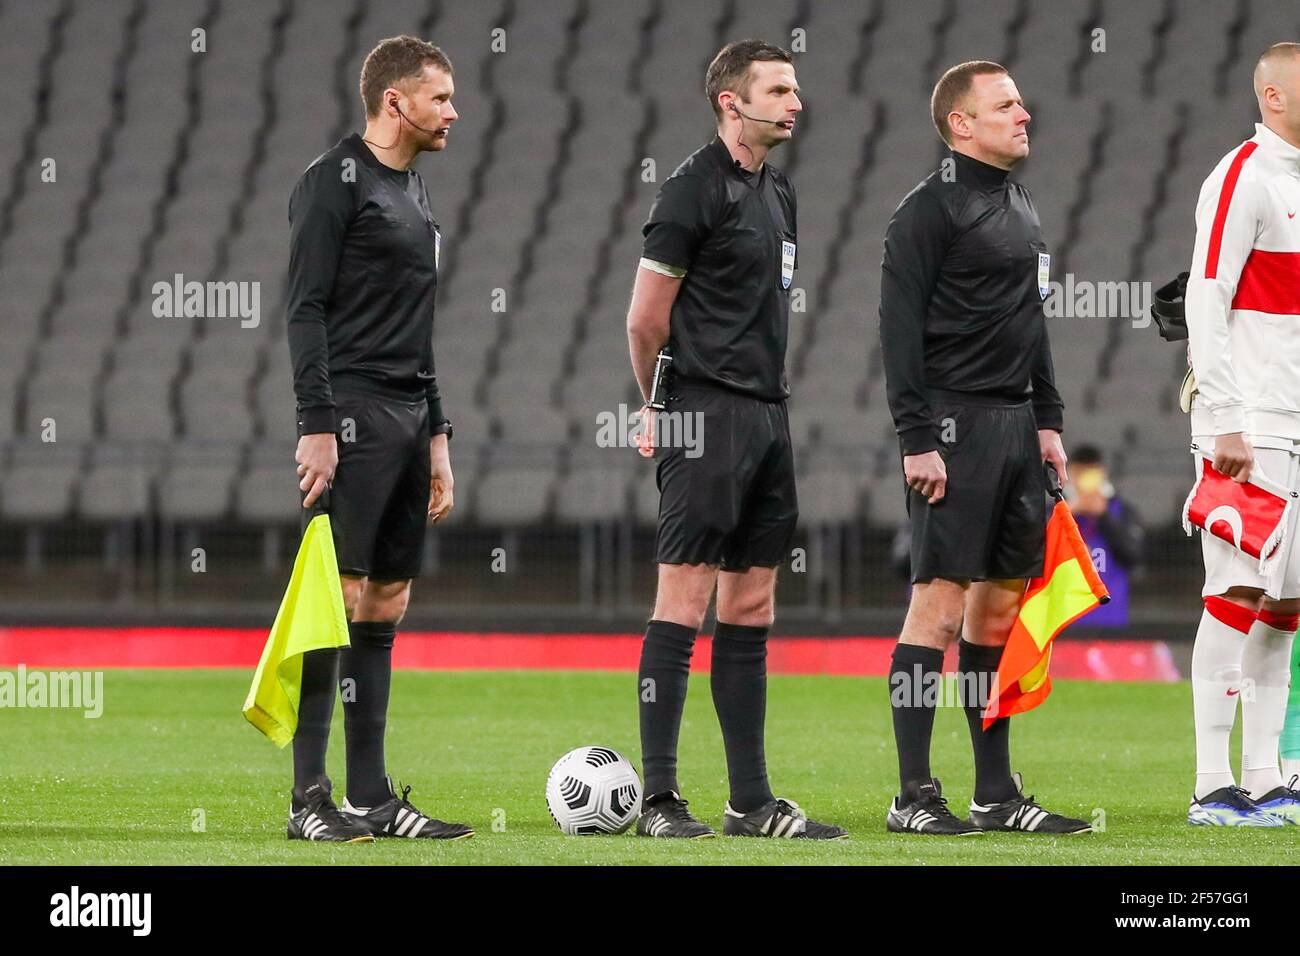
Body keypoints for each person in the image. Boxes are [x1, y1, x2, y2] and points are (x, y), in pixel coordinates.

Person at [625, 39, 845, 840]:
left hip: (766, 413)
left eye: (795, 89)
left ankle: (750, 803)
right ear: (731, 101)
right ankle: (657, 800)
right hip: (702, 409)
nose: (795, 102)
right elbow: (646, 318)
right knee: (682, 596)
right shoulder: (689, 190)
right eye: (779, 89)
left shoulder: (779, 191)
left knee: (750, 601)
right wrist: (656, 402)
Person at [878, 60, 1090, 835]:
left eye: (1021, 102)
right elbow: (897, 333)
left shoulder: (1022, 204)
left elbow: (1030, 323)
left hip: (1012, 428)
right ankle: (912, 795)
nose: (1023, 113)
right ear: (961, 123)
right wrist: (916, 437)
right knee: (936, 610)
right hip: (952, 429)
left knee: (996, 616)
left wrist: (1048, 421)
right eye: (1004, 105)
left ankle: (995, 795)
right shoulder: (926, 212)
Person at [284, 35, 472, 841]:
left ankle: (369, 796)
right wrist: (318, 427)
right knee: (340, 602)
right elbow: (304, 309)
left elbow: (419, 329)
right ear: (395, 102)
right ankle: (308, 801)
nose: (453, 112)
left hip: (405, 417)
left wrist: (437, 436)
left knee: (386, 601)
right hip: (351, 415)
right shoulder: (331, 184)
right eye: (440, 98)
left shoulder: (417, 194)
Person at [1183, 42, 1300, 827]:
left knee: (1286, 605)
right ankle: (1208, 781)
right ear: (1272, 94)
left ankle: (1264, 775)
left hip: (1294, 421)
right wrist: (1224, 418)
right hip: (1252, 423)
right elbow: (1204, 294)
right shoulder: (1243, 176)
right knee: (1236, 593)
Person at [1065, 444, 1144, 627]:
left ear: (1101, 474)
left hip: (1111, 622)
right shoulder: (1057, 511)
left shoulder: (1121, 510)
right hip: (1066, 623)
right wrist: (1069, 513)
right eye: (1080, 472)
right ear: (1070, 474)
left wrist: (1104, 516)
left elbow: (1134, 555)